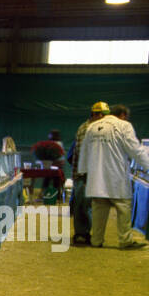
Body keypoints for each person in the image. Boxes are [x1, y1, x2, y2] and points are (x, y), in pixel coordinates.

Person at [79, 106, 149, 248]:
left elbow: (84, 151)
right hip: (116, 175)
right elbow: (135, 149)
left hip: (96, 177)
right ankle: (125, 241)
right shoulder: (124, 125)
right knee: (123, 207)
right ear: (123, 115)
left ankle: (96, 240)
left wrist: (83, 171)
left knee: (98, 209)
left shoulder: (92, 127)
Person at [67, 102, 107, 245]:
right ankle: (81, 234)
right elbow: (87, 155)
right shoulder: (87, 129)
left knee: (85, 204)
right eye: (102, 115)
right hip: (85, 174)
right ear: (95, 115)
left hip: (87, 173)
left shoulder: (91, 127)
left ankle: (85, 233)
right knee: (83, 205)